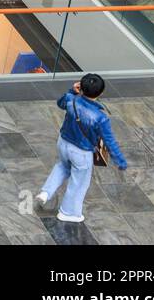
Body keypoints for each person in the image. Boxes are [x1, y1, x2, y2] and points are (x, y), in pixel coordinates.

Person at [35, 74, 128, 222]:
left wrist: (71, 91)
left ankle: (46, 193)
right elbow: (109, 141)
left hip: (63, 143)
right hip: (81, 152)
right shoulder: (100, 117)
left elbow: (60, 103)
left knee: (63, 166)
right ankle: (68, 213)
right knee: (79, 182)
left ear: (81, 88)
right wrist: (120, 161)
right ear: (100, 93)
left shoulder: (71, 100)